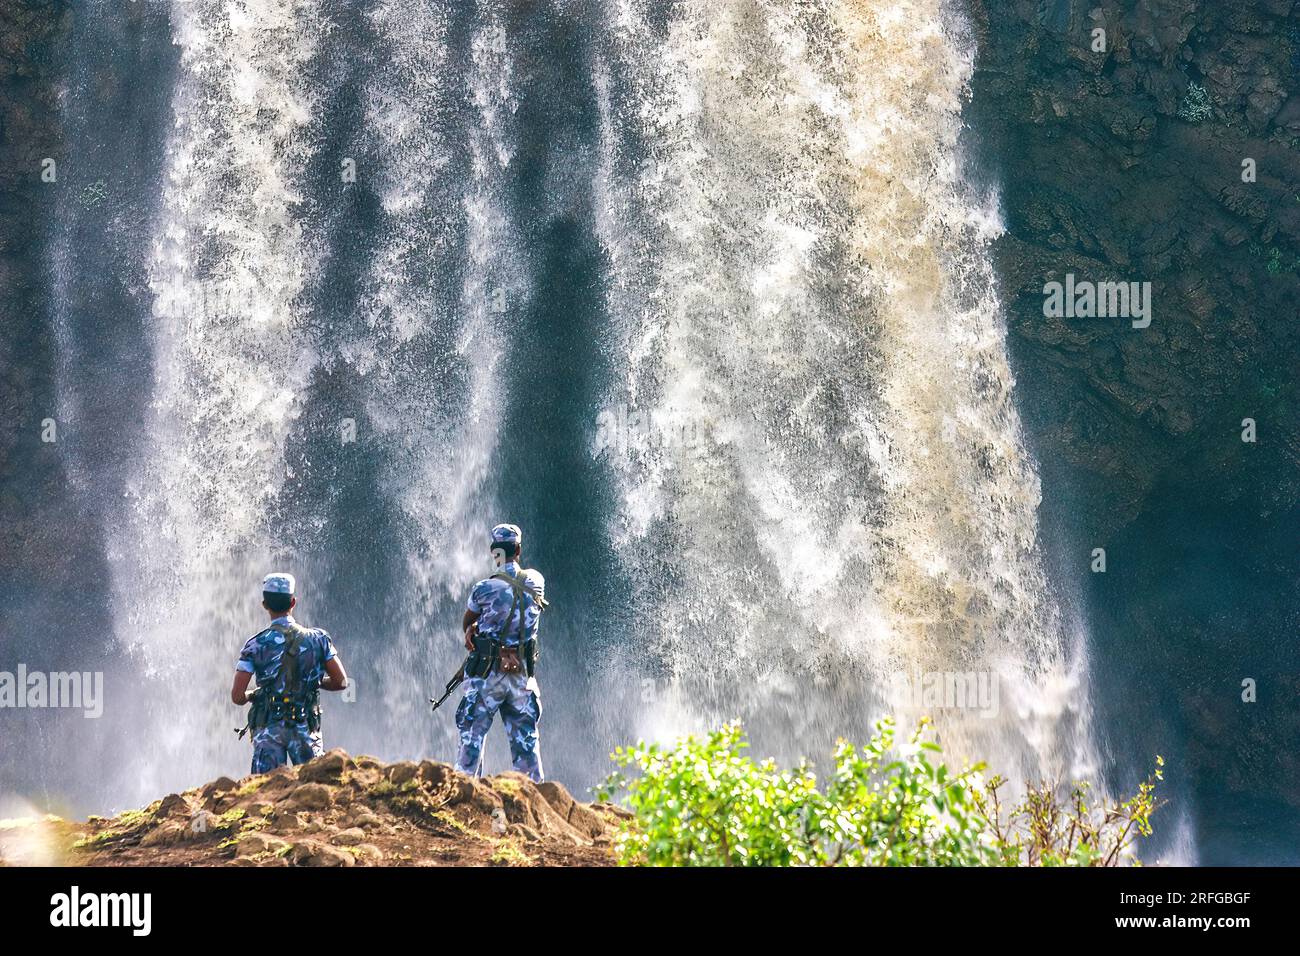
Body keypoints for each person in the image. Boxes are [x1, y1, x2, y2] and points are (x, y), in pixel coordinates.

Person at [455, 524, 547, 782]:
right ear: (518, 549)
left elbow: (467, 621)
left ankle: (464, 796)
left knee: (471, 742)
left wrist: (472, 630)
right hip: (521, 677)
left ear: (493, 552)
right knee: (527, 747)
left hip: (487, 677)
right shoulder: (537, 582)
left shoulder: (483, 588)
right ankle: (536, 804)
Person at [230, 573, 348, 774]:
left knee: (265, 792)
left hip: (269, 730)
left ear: (265, 604)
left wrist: (254, 694)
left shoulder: (255, 645)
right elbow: (341, 682)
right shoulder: (318, 639)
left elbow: (237, 696)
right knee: (315, 785)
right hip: (305, 726)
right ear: (293, 602)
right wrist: (313, 682)